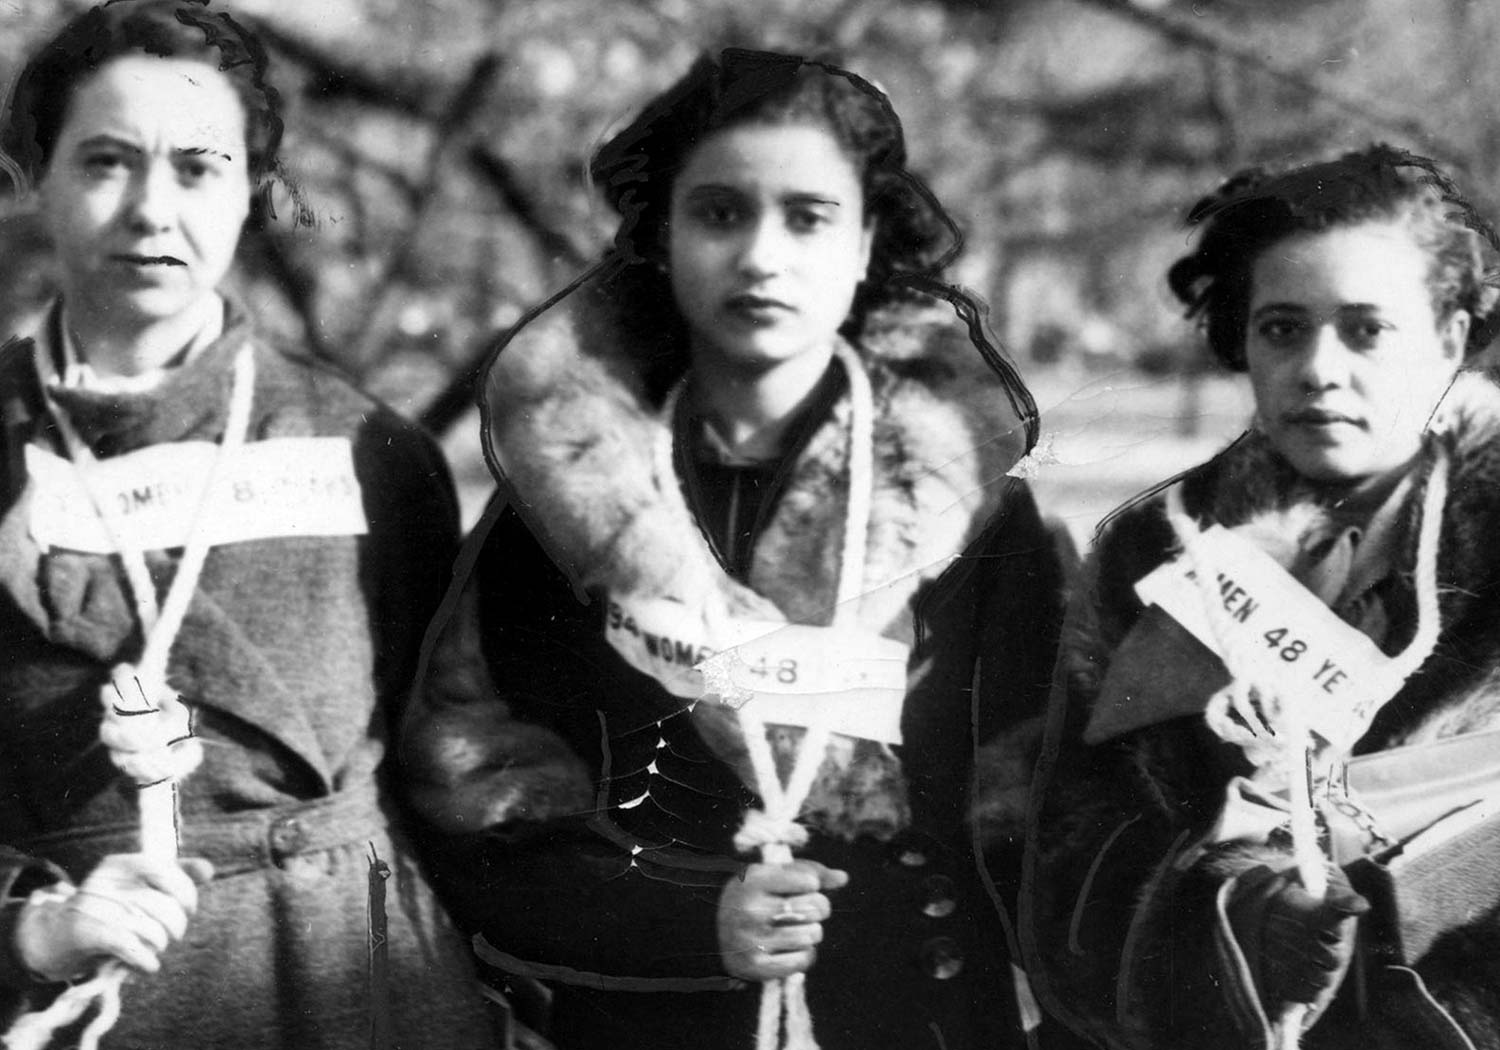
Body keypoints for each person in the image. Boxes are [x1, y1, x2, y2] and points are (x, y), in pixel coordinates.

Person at [400, 47, 1068, 1050]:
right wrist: (684, 917)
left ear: (865, 244)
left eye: (808, 217)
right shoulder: (563, 511)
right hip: (655, 1017)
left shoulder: (972, 516)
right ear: (661, 239)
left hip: (915, 1014)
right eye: (720, 213)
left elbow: (1045, 809)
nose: (762, 256)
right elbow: (476, 800)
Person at [0, 2, 495, 1046]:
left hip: (360, 991)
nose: (151, 208)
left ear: (251, 191)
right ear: (33, 176)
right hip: (101, 998)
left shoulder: (372, 452)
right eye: (105, 162)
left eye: (198, 166)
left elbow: (450, 766)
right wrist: (34, 929)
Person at [1020, 144, 1500, 1050]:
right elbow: (1074, 852)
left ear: (1449, 337)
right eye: (1283, 328)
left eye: (1365, 329)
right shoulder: (1158, 551)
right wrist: (1237, 920)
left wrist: (1411, 912)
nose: (1321, 368)